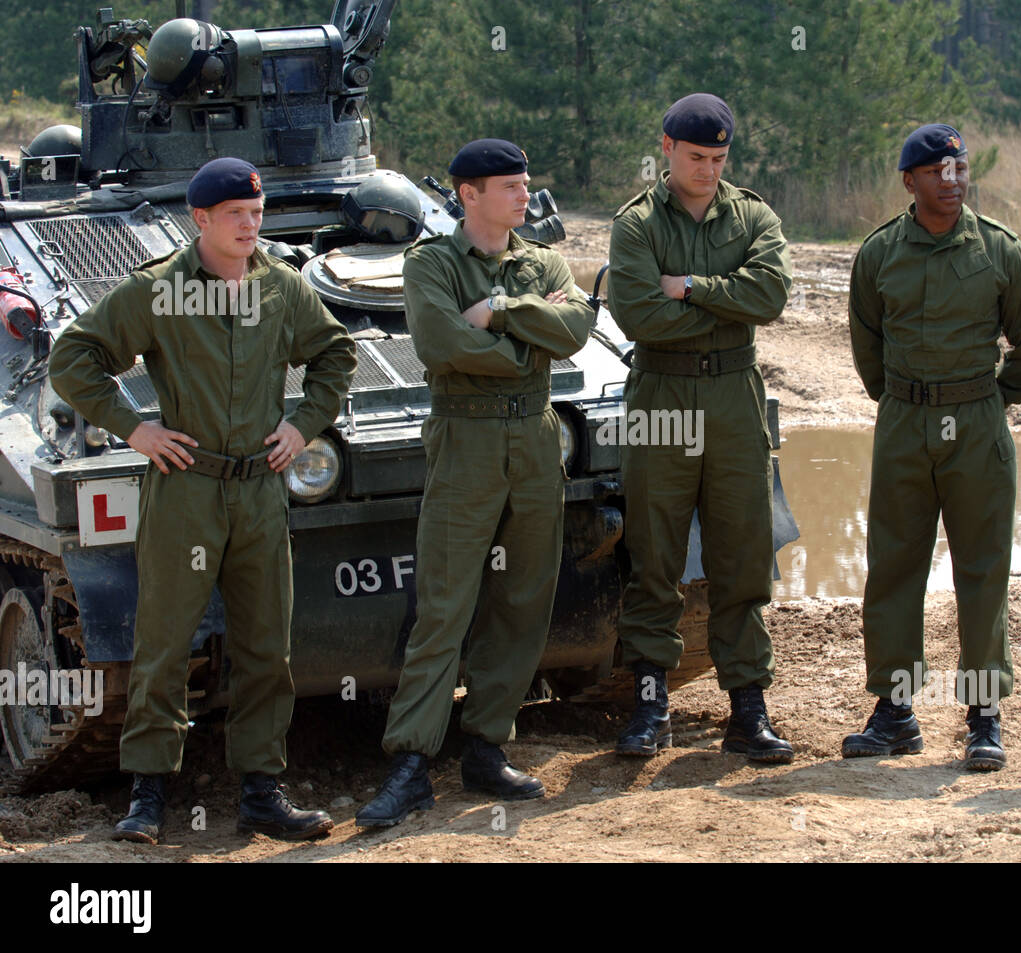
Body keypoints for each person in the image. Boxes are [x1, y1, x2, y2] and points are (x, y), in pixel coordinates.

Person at [49, 156, 357, 843]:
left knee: (265, 646)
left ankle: (260, 791)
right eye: (237, 216)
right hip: (186, 487)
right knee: (163, 643)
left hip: (258, 491)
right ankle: (149, 797)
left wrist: (302, 424)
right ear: (202, 220)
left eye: (258, 213)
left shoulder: (280, 287)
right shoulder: (158, 291)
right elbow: (74, 357)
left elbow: (335, 353)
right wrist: (133, 426)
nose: (252, 225)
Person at [355, 139, 592, 828]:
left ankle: (487, 744)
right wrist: (528, 336)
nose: (525, 196)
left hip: (537, 440)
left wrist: (501, 313)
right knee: (445, 606)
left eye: (526, 183)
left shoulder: (542, 259)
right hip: (467, 438)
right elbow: (442, 343)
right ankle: (409, 763)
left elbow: (576, 326)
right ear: (469, 194)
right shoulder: (431, 263)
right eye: (511, 186)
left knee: (524, 598)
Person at [845, 124, 1021, 771]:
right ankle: (895, 711)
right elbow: (867, 348)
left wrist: (985, 400)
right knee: (894, 567)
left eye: (959, 167)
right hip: (905, 422)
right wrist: (905, 399)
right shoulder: (880, 254)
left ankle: (984, 715)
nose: (951, 179)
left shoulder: (1000, 251)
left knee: (983, 570)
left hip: (976, 425)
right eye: (935, 170)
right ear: (909, 181)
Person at [607, 93, 794, 764]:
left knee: (741, 553)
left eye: (719, 159)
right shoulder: (635, 225)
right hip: (661, 388)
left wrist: (687, 286)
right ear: (666, 148)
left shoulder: (753, 216)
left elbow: (769, 295)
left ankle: (748, 708)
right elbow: (638, 316)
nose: (708, 171)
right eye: (696, 158)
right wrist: (725, 298)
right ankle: (650, 704)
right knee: (654, 553)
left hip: (734, 394)